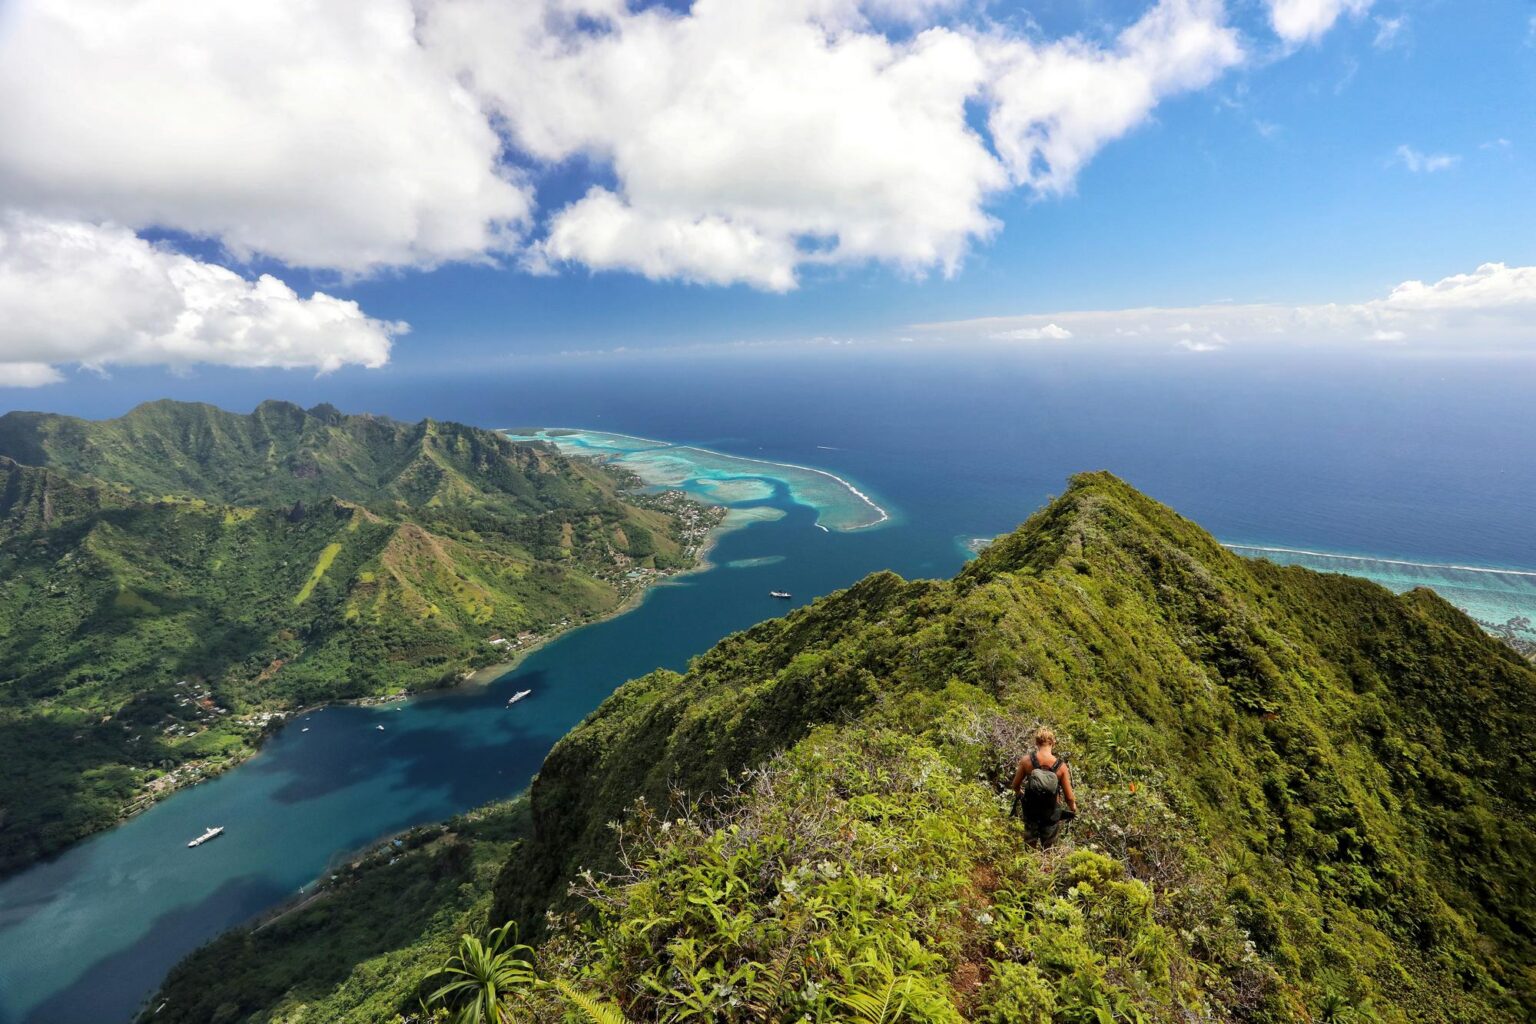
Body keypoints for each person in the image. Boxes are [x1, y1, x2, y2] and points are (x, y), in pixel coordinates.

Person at [1010, 727, 1077, 848]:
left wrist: (1020, 794)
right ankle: (1046, 864)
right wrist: (1073, 808)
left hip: (1031, 810)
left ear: (1036, 743)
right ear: (1053, 743)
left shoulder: (1026, 761)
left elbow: (1015, 785)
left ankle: (1029, 863)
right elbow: (1069, 797)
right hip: (1051, 812)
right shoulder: (1061, 766)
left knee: (1029, 845)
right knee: (1048, 848)